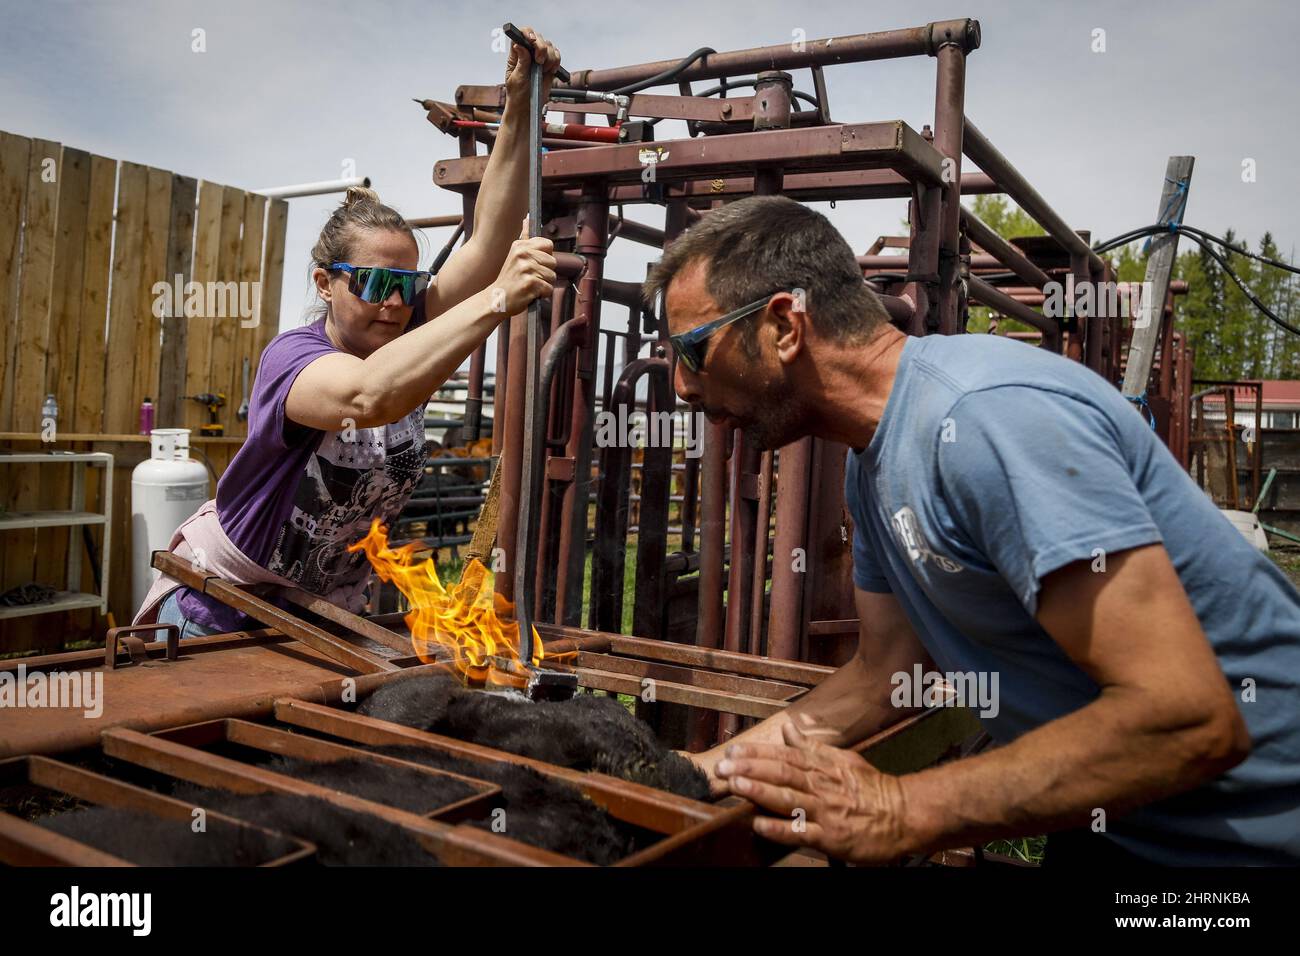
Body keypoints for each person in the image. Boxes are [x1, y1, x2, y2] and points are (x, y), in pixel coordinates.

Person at [646, 195, 1300, 865]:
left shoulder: (986, 420)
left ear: (785, 325)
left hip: (1256, 838)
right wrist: (699, 775)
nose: (682, 388)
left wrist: (903, 810)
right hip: (1125, 813)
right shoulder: (873, 464)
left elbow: (1187, 716)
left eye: (692, 349)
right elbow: (884, 673)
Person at [133, 29, 563, 636]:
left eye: (407, 284)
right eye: (371, 282)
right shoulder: (295, 361)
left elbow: (490, 241)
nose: (394, 302)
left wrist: (519, 103)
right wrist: (496, 299)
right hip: (219, 615)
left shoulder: (409, 329)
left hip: (312, 624)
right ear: (324, 282)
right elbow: (368, 394)